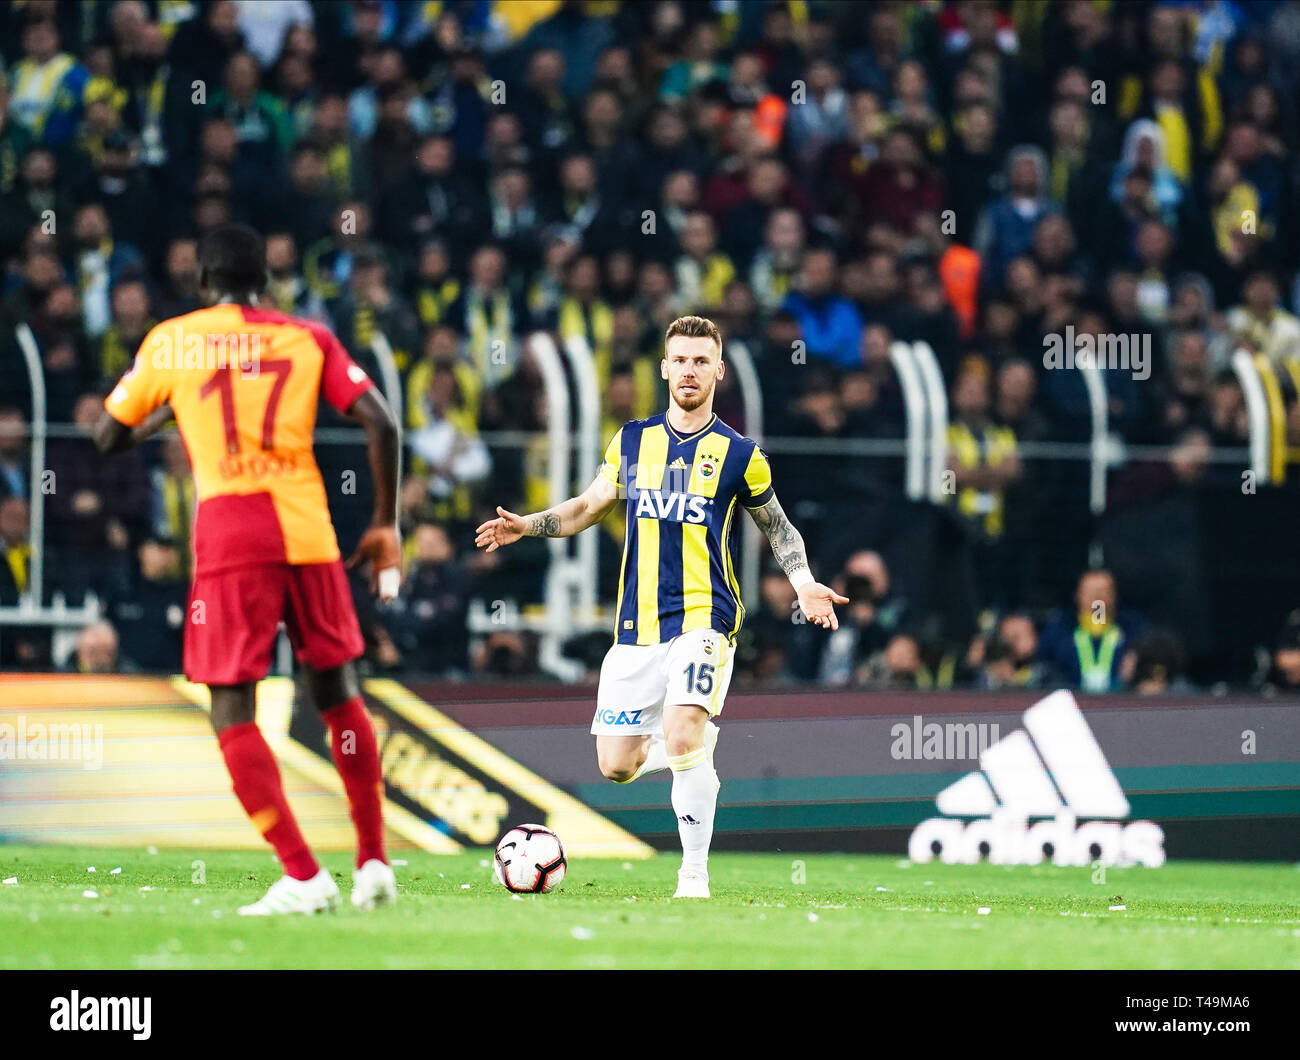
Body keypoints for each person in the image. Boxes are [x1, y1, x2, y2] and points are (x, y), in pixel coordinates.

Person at [476, 315, 846, 898]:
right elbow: (588, 508)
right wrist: (529, 524)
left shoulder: (740, 454)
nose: (690, 370)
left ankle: (692, 875)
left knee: (679, 737)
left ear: (719, 372)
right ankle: (693, 750)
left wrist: (802, 582)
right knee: (616, 766)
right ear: (665, 367)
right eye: (680, 359)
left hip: (705, 620)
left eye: (702, 361)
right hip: (636, 628)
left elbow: (778, 527)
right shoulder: (631, 441)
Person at [92, 223, 402, 917]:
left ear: (203, 283)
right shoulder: (309, 337)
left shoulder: (173, 340)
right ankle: (374, 859)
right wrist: (384, 521)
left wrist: (171, 414)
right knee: (336, 689)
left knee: (232, 700)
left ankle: (301, 872)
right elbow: (381, 421)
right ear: (266, 282)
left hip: (233, 534)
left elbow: (107, 434)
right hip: (309, 531)